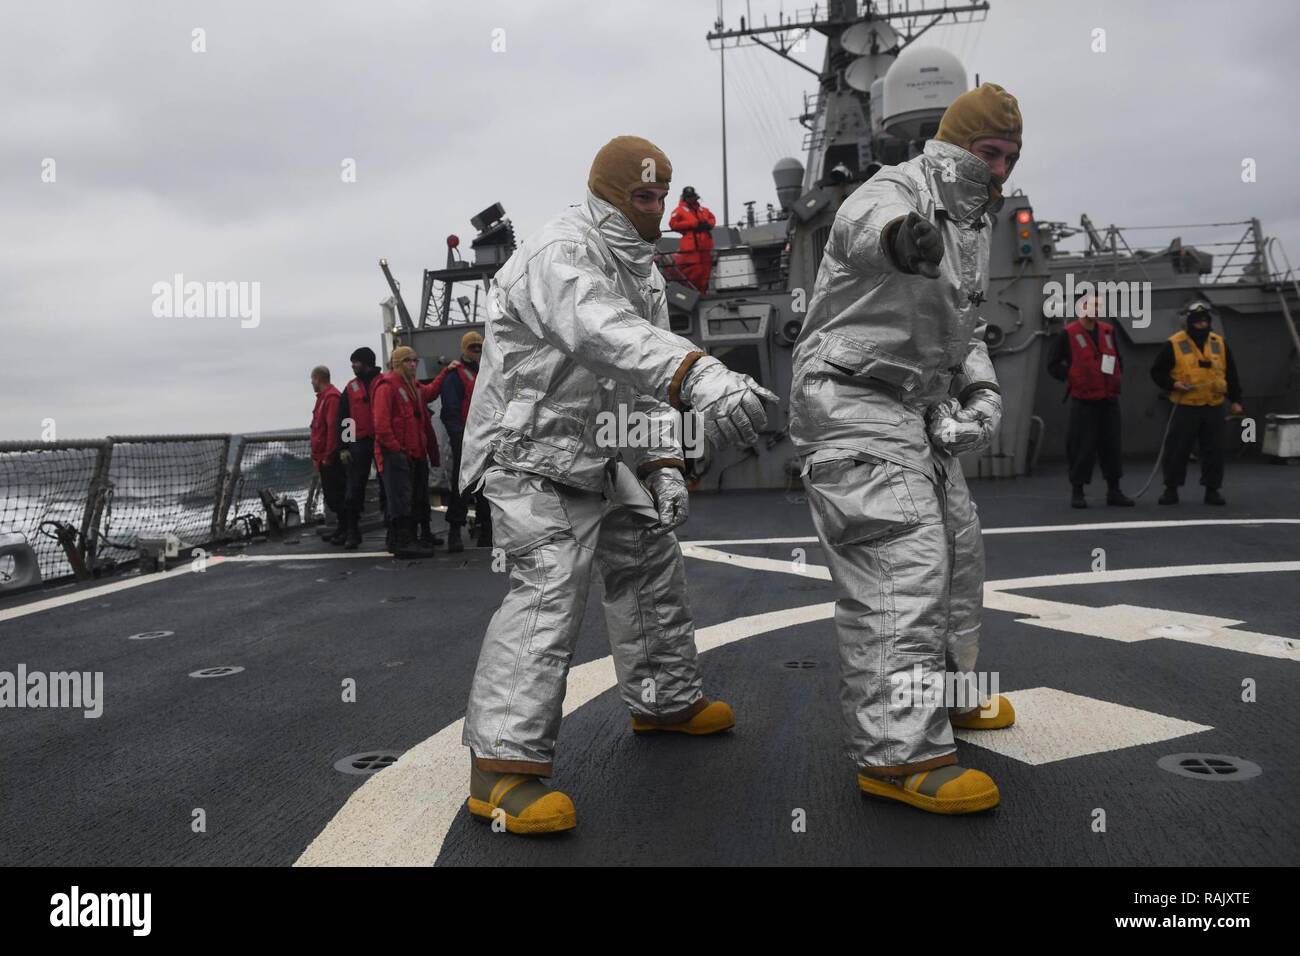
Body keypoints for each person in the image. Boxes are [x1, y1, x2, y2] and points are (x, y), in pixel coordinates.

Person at [459, 134, 778, 834]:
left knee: (649, 563)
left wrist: (663, 464)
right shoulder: (558, 253)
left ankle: (664, 700)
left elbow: (643, 389)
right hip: (530, 453)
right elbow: (600, 330)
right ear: (606, 191)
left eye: (662, 192)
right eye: (643, 194)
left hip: (605, 451)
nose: (657, 205)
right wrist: (699, 372)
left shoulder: (644, 274)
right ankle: (500, 769)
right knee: (547, 589)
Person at [788, 84, 1025, 815]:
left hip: (917, 407)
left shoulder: (973, 222)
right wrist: (905, 238)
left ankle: (950, 693)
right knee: (905, 559)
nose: (1002, 171)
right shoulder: (895, 192)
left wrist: (980, 392)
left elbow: (966, 329)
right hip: (852, 399)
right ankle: (898, 752)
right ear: (954, 147)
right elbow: (869, 227)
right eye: (989, 154)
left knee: (958, 550)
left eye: (1012, 157)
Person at [1150, 300, 1244, 505]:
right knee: (1177, 450)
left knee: (1214, 450)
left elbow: (1231, 374)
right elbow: (1157, 372)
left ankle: (1212, 490)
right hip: (1186, 406)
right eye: (1198, 322)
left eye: (1205, 321)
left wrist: (1236, 400)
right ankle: (1171, 489)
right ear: (1190, 323)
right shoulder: (1173, 344)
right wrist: (1173, 384)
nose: (1202, 325)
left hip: (1213, 405)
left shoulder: (1219, 343)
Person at [1046, 293, 1135, 508]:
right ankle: (1078, 492)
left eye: (1098, 305)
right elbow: (1053, 364)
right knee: (1082, 447)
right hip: (1084, 400)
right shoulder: (1068, 334)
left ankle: (1114, 490)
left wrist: (1116, 376)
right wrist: (1072, 376)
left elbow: (1117, 358)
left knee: (1111, 446)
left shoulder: (1107, 331)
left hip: (1108, 398)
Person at [372, 346, 437, 558]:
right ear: (398, 364)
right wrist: (396, 449)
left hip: (413, 453)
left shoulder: (412, 387)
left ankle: (407, 539)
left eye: (415, 361)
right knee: (400, 498)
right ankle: (403, 541)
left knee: (411, 496)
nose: (413, 364)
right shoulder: (387, 387)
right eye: (408, 361)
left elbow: (429, 393)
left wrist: (445, 373)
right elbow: (381, 424)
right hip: (397, 455)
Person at [439, 330, 490, 552]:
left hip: (483, 435)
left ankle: (485, 531)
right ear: (464, 349)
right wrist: (459, 437)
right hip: (465, 438)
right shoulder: (455, 375)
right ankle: (454, 532)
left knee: (486, 485)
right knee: (464, 486)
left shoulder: (483, 372)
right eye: (473, 347)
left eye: (479, 347)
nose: (477, 351)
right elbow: (449, 410)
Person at [334, 347, 384, 549]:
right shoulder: (350, 388)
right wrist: (343, 447)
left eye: (355, 361)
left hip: (382, 441)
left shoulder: (383, 383)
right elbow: (344, 418)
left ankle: (394, 530)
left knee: (388, 487)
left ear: (366, 362)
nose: (353, 365)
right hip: (359, 444)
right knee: (354, 488)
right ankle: (352, 530)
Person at [309, 365, 346, 535]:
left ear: (318, 378)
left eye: (312, 379)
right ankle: (342, 527)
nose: (311, 383)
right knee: (332, 496)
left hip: (330, 457)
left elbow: (332, 428)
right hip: (323, 455)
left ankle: (345, 528)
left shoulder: (331, 398)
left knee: (337, 495)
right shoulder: (323, 398)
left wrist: (329, 454)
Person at [668, 186, 716, 293]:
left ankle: (703, 294)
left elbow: (712, 218)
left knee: (705, 271)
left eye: (692, 196)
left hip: (705, 246)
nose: (691, 199)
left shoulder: (704, 210)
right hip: (690, 247)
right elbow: (673, 224)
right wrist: (692, 224)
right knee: (694, 270)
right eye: (689, 197)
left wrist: (708, 224)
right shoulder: (679, 211)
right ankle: (693, 293)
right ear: (685, 198)